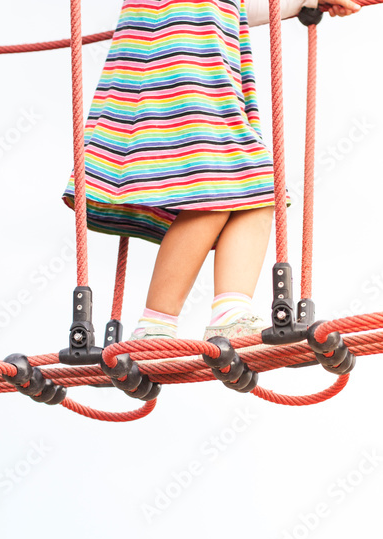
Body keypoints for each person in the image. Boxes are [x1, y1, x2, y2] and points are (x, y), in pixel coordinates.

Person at [63, 0, 361, 341]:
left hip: (205, 75)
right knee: (216, 186)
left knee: (260, 190)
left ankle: (229, 313)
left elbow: (238, 8)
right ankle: (155, 325)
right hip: (177, 65)